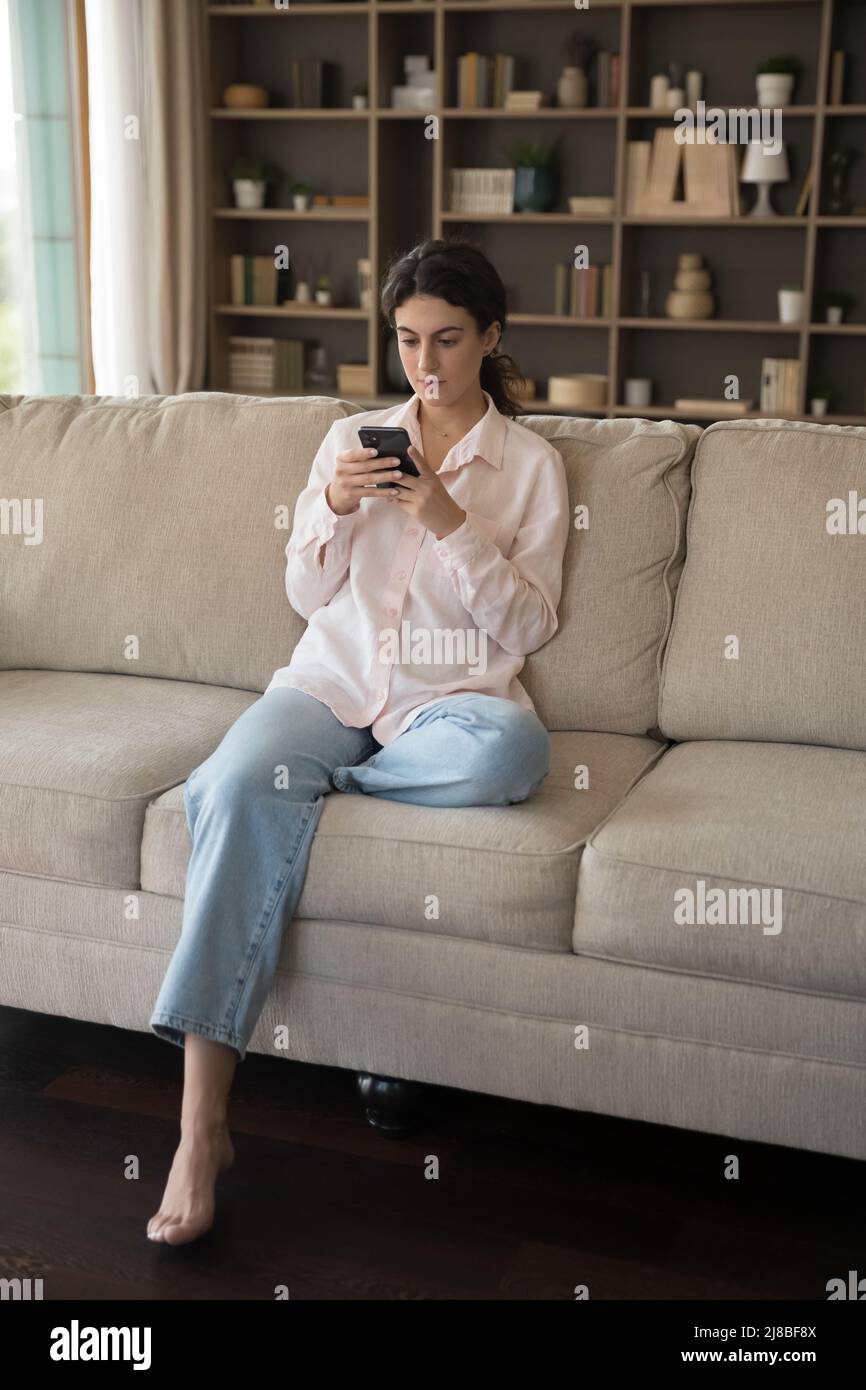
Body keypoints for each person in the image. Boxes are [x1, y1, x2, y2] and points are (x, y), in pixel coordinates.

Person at [146, 237, 570, 1244]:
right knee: (237, 784)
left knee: (512, 753)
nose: (425, 363)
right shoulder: (350, 438)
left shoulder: (532, 467)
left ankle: (316, 786)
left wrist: (450, 521)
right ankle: (200, 1129)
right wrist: (334, 506)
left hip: (444, 707)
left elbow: (529, 626)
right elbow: (306, 594)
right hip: (329, 687)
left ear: (490, 337)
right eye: (407, 339)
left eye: (447, 339)